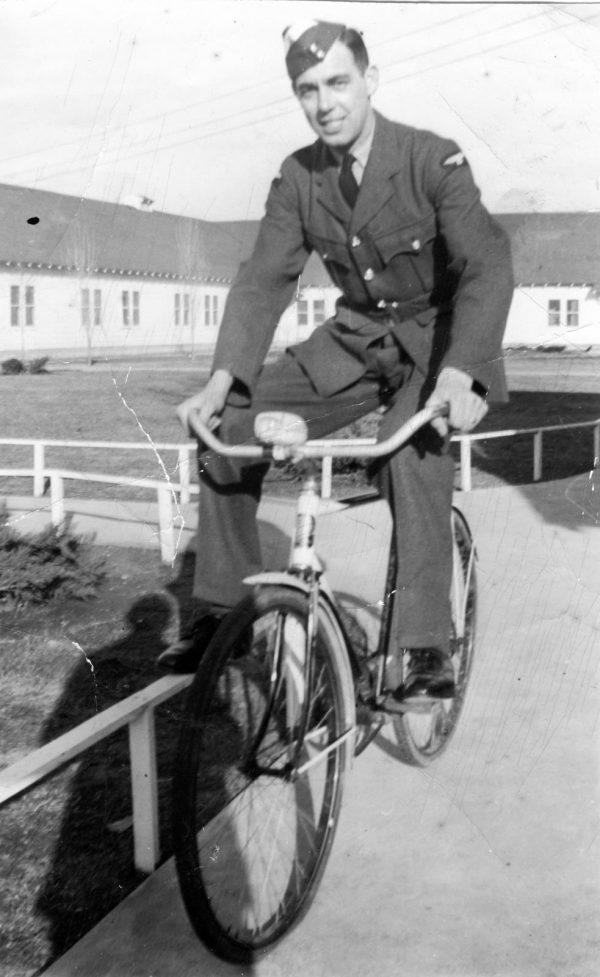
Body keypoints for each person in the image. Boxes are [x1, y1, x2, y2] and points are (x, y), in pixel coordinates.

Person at [158, 20, 513, 705]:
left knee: (406, 453)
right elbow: (264, 278)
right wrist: (221, 376)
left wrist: (462, 370)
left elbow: (488, 265)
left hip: (434, 349)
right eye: (307, 90)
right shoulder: (299, 176)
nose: (325, 103)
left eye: (338, 83)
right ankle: (225, 615)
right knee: (227, 423)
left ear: (370, 81)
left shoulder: (431, 159)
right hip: (352, 343)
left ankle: (423, 646)